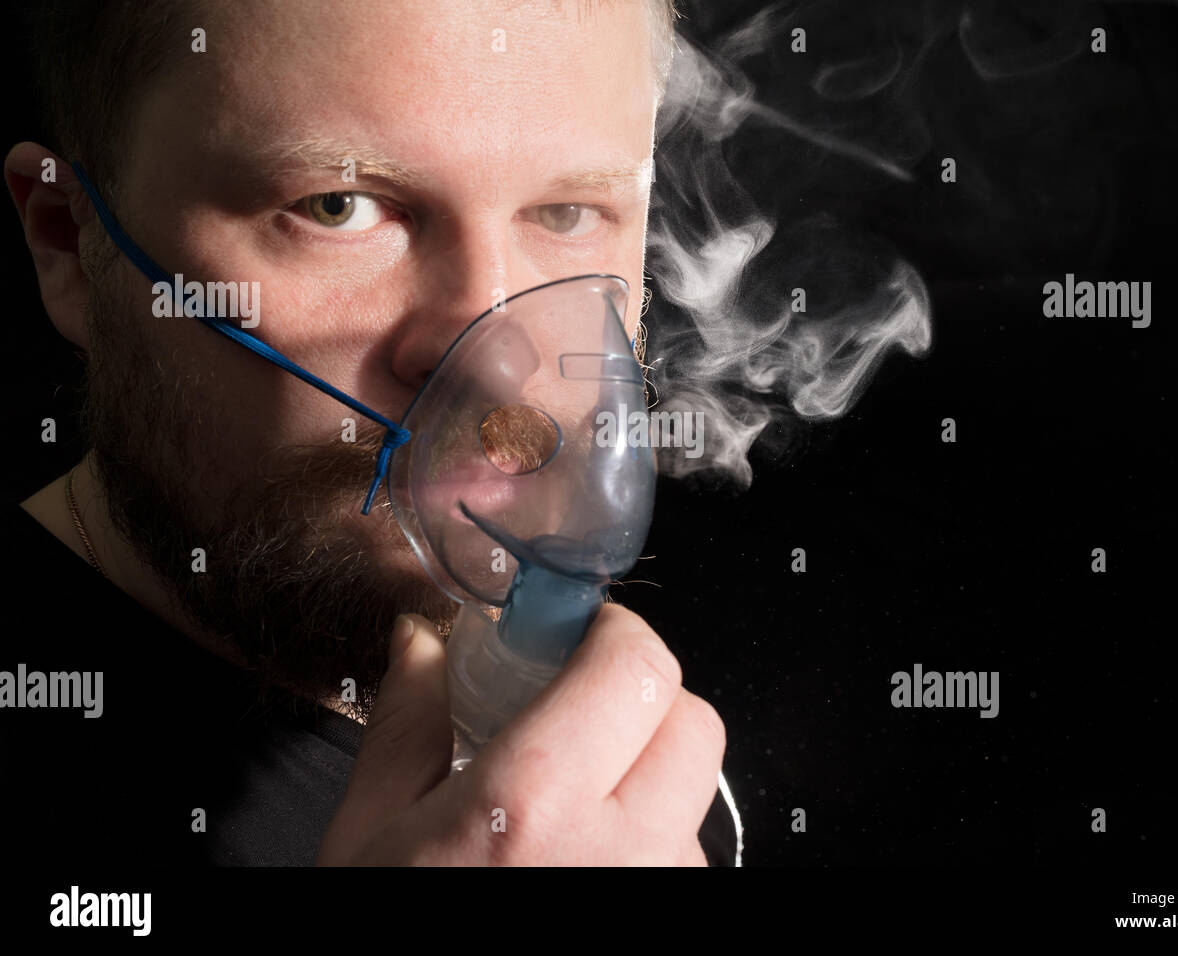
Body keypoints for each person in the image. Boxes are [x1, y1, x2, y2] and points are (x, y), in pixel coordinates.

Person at [3, 0, 741, 866]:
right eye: (338, 206)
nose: (497, 367)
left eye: (567, 213)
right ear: (68, 242)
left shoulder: (626, 771)